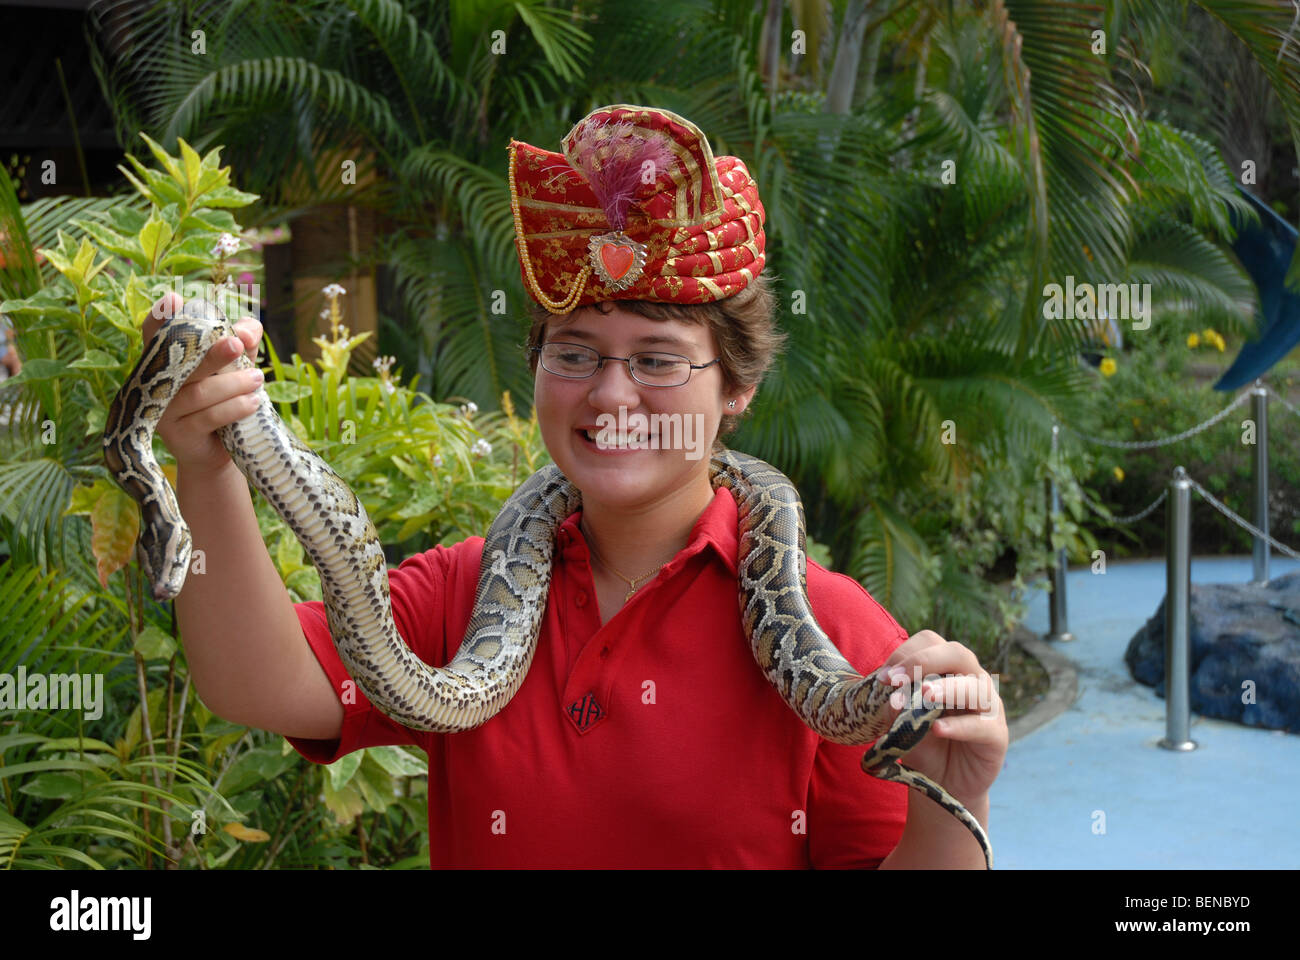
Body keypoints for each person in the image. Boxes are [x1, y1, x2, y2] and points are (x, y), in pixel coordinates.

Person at [154, 105, 1006, 869]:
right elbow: (256, 683)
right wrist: (206, 463)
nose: (609, 394)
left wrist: (955, 801)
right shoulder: (464, 588)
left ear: (737, 389)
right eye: (574, 352)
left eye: (658, 359)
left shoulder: (841, 634)